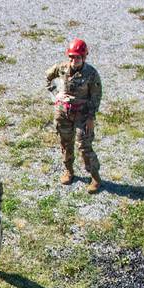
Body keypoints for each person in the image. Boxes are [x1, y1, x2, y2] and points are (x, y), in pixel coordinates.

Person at [45, 39, 103, 192]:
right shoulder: (61, 68)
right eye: (71, 57)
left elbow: (96, 96)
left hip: (82, 114)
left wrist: (91, 118)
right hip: (63, 113)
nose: (74, 60)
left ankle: (95, 177)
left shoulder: (91, 74)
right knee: (65, 143)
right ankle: (69, 171)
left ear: (84, 57)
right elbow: (48, 77)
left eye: (77, 57)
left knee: (84, 146)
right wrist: (56, 94)